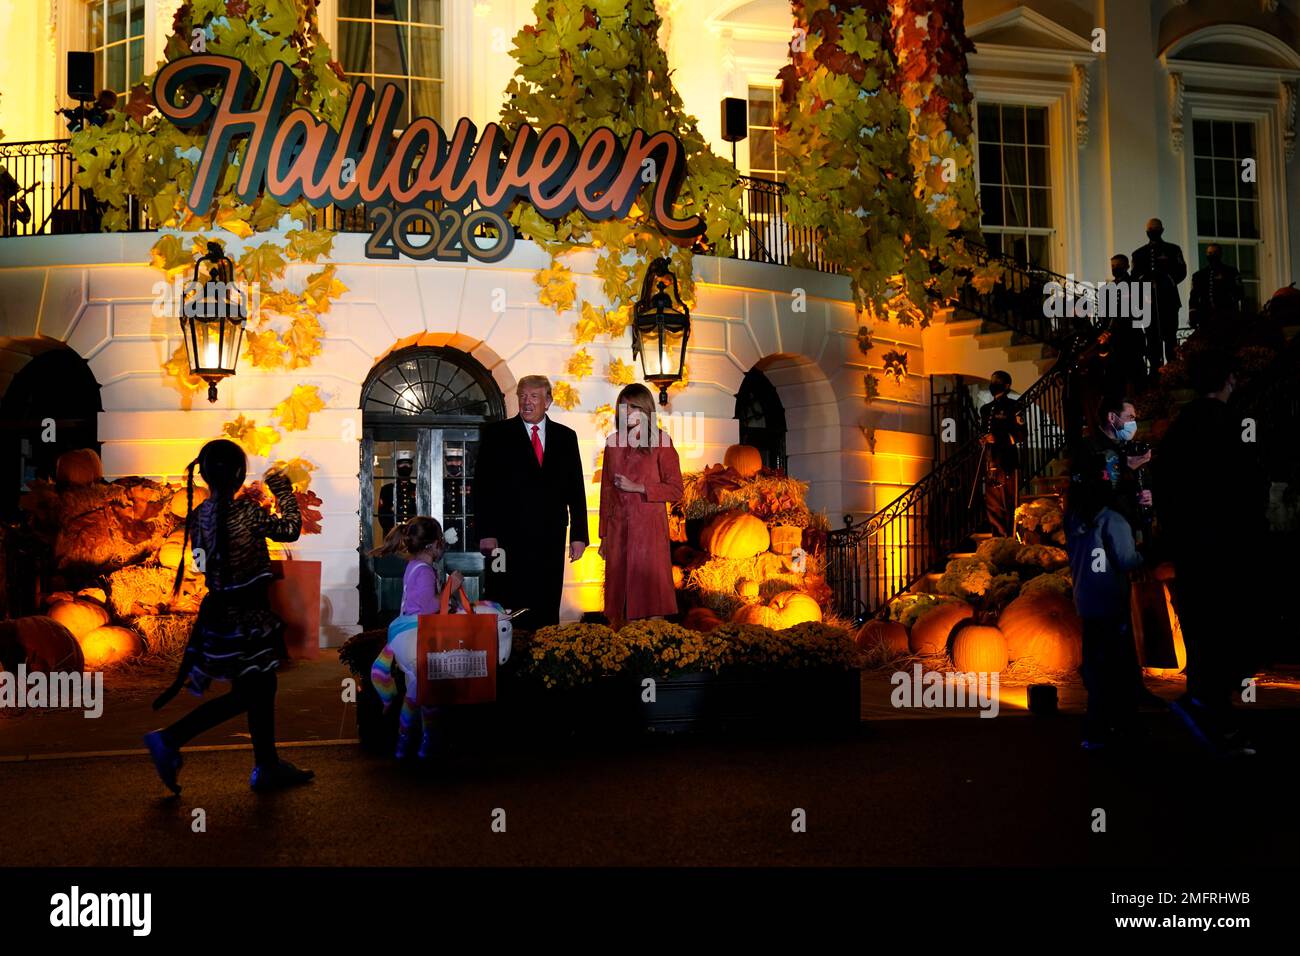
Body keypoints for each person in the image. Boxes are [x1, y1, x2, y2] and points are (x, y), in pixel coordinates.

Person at [143, 439, 313, 794]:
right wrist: (281, 490)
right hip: (247, 618)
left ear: (204, 474)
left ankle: (266, 766)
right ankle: (171, 739)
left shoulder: (200, 516)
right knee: (252, 692)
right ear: (238, 475)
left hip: (221, 616)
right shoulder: (246, 513)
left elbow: (204, 564)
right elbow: (291, 529)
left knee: (258, 688)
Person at [1155, 350, 1268, 755]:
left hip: (1192, 548)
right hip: (1226, 547)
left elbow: (1164, 488)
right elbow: (1250, 485)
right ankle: (1211, 712)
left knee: (1204, 633)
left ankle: (1206, 707)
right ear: (1230, 379)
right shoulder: (1231, 425)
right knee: (1226, 632)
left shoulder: (1179, 429)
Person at [475, 375, 588, 631]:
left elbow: (576, 489)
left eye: (534, 396)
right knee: (505, 600)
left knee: (546, 600)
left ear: (548, 401)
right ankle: (507, 659)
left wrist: (579, 535)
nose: (527, 402)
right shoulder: (497, 434)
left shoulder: (566, 437)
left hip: (550, 536)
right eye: (523, 396)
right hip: (504, 540)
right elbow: (483, 487)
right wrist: (486, 533)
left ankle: (542, 656)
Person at [1066, 455, 1146, 749]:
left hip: (1086, 601)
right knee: (1117, 667)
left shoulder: (1074, 518)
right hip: (1112, 601)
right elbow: (1127, 561)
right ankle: (1120, 726)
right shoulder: (1112, 520)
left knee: (1096, 664)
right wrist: (1147, 552)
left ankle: (1095, 728)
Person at [368, 516, 463, 760]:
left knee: (415, 691)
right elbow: (426, 607)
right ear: (432, 545)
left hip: (403, 633)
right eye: (441, 541)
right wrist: (450, 589)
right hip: (415, 635)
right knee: (426, 694)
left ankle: (407, 744)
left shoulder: (415, 566)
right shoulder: (424, 571)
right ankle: (425, 744)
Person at [599, 384, 684, 630]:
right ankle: (623, 658)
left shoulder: (661, 441)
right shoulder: (613, 443)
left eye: (634, 407)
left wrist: (639, 487)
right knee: (620, 605)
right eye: (623, 407)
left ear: (646, 410)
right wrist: (604, 536)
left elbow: (677, 489)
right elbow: (606, 493)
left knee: (651, 598)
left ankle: (653, 656)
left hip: (649, 532)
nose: (627, 412)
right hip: (618, 531)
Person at [1072, 395, 1153, 542]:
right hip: (1103, 531)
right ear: (1111, 417)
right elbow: (1090, 491)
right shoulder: (1089, 448)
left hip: (1130, 527)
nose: (1133, 424)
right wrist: (1125, 468)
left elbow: (1145, 481)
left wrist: (1148, 495)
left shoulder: (1129, 447)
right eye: (1130, 417)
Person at [1130, 217, 1187, 369]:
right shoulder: (1139, 254)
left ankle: (1172, 371)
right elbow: (1134, 276)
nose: (1153, 232)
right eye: (1150, 230)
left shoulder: (1173, 250)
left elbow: (1181, 271)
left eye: (1155, 229)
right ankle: (1155, 371)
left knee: (1170, 339)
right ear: (1147, 232)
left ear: (1161, 230)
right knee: (1152, 339)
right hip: (1148, 303)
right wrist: (1146, 281)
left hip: (1168, 301)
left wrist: (1165, 280)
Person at [977, 370, 1025, 537]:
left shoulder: (1013, 407)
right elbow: (983, 430)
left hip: (1007, 461)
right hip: (990, 460)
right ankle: (997, 537)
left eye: (997, 381)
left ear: (1006, 386)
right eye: (992, 381)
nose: (993, 384)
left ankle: (1009, 537)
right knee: (993, 502)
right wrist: (983, 439)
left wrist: (997, 438)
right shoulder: (985, 409)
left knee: (1008, 502)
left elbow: (1021, 434)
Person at [1105, 254, 1150, 394]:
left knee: (1136, 372)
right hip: (1115, 337)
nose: (1115, 268)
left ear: (1126, 266)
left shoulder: (1135, 284)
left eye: (1118, 266)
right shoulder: (1110, 286)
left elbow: (1141, 310)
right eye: (1113, 266)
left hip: (1131, 335)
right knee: (1117, 373)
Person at [1188, 243, 1245, 333]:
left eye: (1214, 253)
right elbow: (1193, 297)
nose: (1211, 255)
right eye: (1209, 253)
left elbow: (1239, 293)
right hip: (1205, 318)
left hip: (1226, 317)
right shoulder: (1199, 275)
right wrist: (1192, 314)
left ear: (1220, 254)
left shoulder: (1231, 272)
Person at [377, 449, 418, 535]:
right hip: (393, 534)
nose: (405, 466)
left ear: (411, 466)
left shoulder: (417, 489)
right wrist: (394, 532)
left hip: (412, 535)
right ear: (397, 466)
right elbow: (382, 516)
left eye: (408, 463)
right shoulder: (387, 489)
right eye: (402, 463)